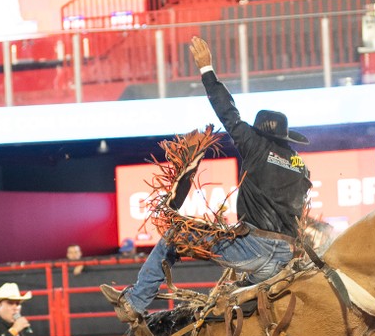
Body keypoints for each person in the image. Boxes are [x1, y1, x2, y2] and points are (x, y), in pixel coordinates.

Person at [101, 35, 312, 321]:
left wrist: (206, 70)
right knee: (231, 301)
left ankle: (135, 303)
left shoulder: (257, 145)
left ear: (261, 133)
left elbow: (229, 114)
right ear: (285, 137)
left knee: (174, 237)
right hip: (285, 257)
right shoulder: (299, 165)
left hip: (255, 247)